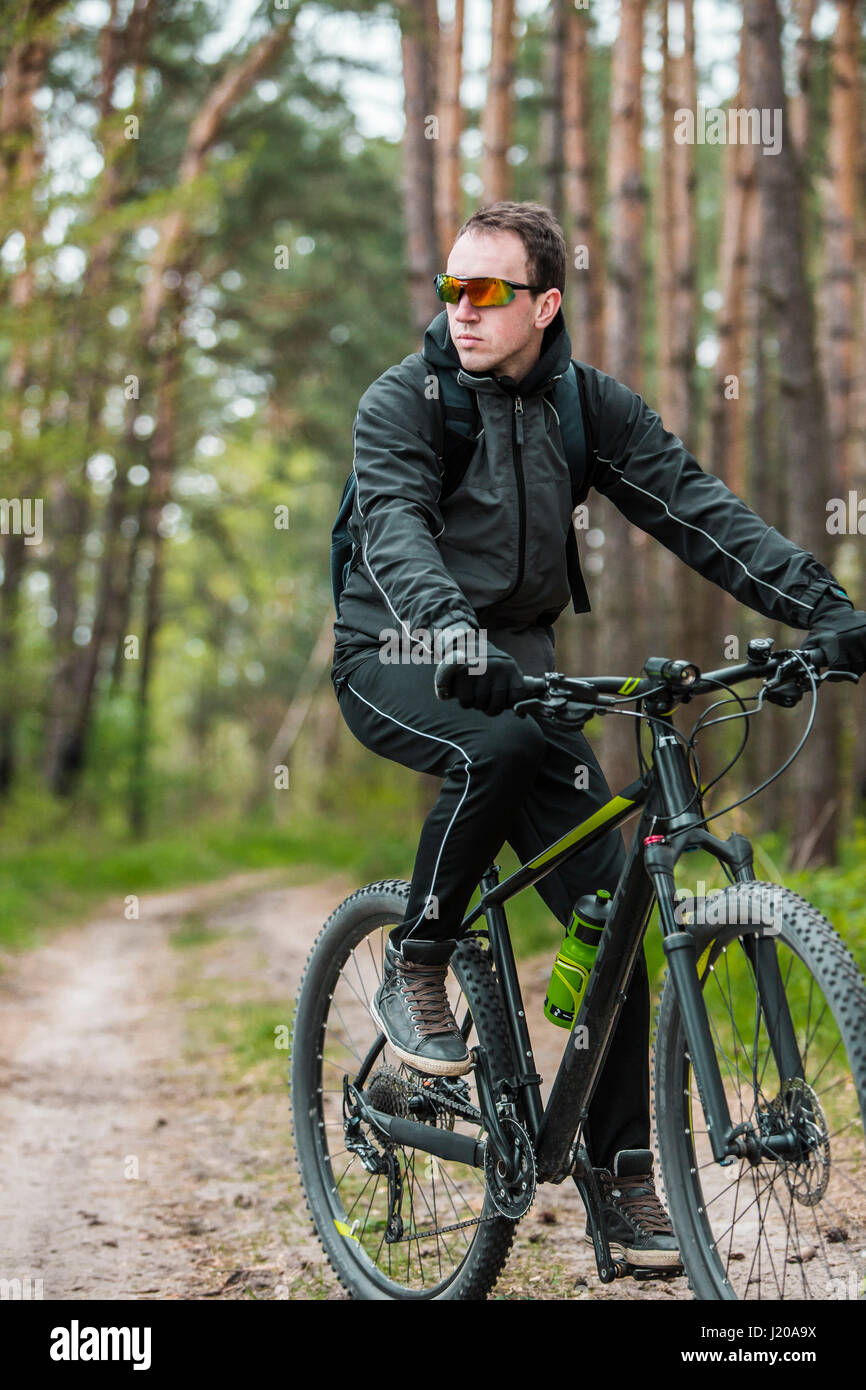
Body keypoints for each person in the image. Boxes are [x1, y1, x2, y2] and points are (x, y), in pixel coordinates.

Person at [329, 200, 866, 1270]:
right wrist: (450, 635)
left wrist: (821, 609)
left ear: (546, 302)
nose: (462, 310)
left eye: (487, 291)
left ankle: (622, 1181)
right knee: (498, 748)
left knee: (607, 912)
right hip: (395, 645)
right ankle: (421, 957)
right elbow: (391, 525)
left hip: (518, 657)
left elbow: (696, 509)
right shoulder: (406, 400)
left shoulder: (586, 407)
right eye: (452, 288)